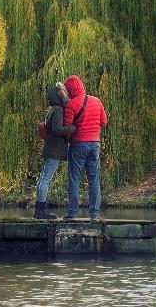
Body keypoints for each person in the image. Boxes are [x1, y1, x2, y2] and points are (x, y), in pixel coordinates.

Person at [62, 75, 108, 221]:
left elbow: (68, 128)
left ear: (70, 90)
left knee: (74, 179)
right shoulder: (96, 100)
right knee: (94, 179)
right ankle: (94, 215)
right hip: (94, 144)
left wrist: (68, 139)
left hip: (78, 145)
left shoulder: (71, 105)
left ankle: (72, 213)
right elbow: (104, 122)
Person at [35, 82, 74, 220]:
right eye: (62, 92)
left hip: (50, 147)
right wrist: (72, 128)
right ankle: (41, 210)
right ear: (58, 96)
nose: (66, 94)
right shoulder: (58, 110)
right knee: (46, 179)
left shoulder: (52, 109)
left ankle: (39, 210)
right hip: (54, 149)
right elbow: (57, 129)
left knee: (43, 178)